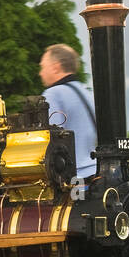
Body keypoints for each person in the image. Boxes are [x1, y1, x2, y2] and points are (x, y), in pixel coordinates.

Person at [38, 44, 97, 180]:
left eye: (42, 67)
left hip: (74, 176)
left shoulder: (53, 94)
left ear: (56, 67)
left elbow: (50, 139)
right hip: (94, 170)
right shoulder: (86, 91)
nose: (40, 73)